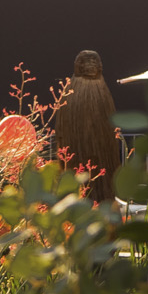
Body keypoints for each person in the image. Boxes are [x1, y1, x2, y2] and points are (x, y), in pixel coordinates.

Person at [51, 48, 121, 204]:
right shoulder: (76, 90)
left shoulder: (99, 91)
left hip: (100, 150)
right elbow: (62, 125)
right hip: (77, 148)